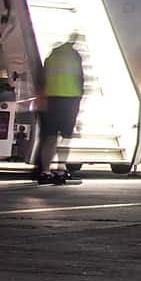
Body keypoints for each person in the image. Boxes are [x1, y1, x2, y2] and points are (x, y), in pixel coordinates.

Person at [34, 34, 85, 182]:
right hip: (70, 99)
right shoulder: (74, 56)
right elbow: (80, 79)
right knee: (66, 137)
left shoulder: (51, 57)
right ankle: (61, 170)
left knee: (50, 137)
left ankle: (45, 171)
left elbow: (42, 79)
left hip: (50, 99)